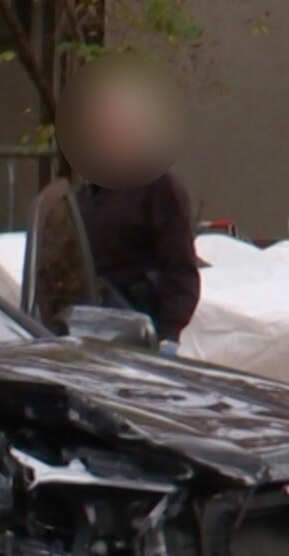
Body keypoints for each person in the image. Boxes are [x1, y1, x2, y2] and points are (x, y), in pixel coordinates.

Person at [59, 56, 200, 349]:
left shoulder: (159, 187)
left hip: (138, 332)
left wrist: (168, 335)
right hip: (89, 330)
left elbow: (180, 270)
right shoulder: (85, 195)